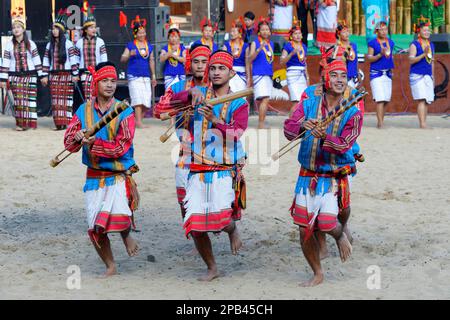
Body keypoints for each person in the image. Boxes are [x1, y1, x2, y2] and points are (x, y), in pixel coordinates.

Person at [166, 51, 248, 281]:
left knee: (220, 220)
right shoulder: (199, 93)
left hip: (222, 169)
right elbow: (170, 102)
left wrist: (215, 120)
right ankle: (212, 267)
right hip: (197, 166)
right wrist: (189, 92)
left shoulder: (239, 102)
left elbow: (236, 134)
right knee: (194, 224)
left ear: (231, 73)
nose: (215, 72)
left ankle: (232, 229)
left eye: (222, 68)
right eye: (213, 68)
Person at [284, 53, 363, 287]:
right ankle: (317, 272)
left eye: (344, 76)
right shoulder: (308, 103)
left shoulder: (353, 110)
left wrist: (324, 136)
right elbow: (288, 130)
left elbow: (344, 144)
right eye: (335, 75)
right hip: (307, 174)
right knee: (303, 229)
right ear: (325, 79)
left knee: (328, 222)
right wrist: (300, 125)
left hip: (332, 175)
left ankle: (339, 234)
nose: (340, 79)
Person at [63, 61, 140, 277]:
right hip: (94, 175)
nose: (109, 85)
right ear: (96, 83)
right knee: (95, 227)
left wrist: (94, 143)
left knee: (118, 216)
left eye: (113, 81)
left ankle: (126, 235)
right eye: (105, 80)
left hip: (117, 174)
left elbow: (121, 147)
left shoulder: (125, 111)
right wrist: (77, 138)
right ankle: (110, 265)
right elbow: (68, 143)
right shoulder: (83, 110)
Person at [154, 43, 211, 222]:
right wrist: (187, 95)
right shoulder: (178, 87)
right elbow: (159, 110)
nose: (200, 65)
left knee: (209, 203)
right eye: (196, 61)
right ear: (189, 64)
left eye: (204, 61)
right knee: (184, 201)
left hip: (213, 153)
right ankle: (194, 235)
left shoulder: (219, 88)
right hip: (185, 153)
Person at [0, 11, 46, 131]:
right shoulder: (9, 45)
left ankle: (29, 123)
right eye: (14, 27)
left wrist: (42, 76)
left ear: (23, 29)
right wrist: (3, 79)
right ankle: (20, 123)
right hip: (15, 76)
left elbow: (37, 60)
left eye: (18, 27)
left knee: (29, 100)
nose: (16, 30)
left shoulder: (31, 44)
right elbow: (6, 62)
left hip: (30, 75)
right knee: (19, 100)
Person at [42, 9, 79, 130]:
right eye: (53, 29)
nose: (54, 31)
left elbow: (73, 60)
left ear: (62, 30)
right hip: (54, 75)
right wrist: (44, 75)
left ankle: (67, 123)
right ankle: (59, 123)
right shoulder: (49, 45)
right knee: (56, 101)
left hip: (66, 74)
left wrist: (75, 74)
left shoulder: (68, 44)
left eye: (57, 29)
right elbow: (46, 61)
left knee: (66, 100)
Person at [120, 15, 157, 128]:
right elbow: (122, 59)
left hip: (146, 76)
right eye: (140, 33)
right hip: (134, 76)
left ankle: (137, 120)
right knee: (137, 99)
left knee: (146, 101)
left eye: (144, 32)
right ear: (135, 34)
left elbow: (151, 60)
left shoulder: (149, 46)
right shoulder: (130, 46)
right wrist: (129, 55)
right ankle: (139, 122)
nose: (142, 34)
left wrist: (154, 76)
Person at [75, 3, 108, 101]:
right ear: (85, 30)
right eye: (91, 28)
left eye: (95, 27)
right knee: (88, 97)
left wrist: (104, 71)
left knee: (98, 95)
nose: (94, 29)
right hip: (85, 72)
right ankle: (89, 114)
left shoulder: (100, 41)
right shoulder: (79, 42)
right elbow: (76, 59)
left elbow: (103, 58)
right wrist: (76, 73)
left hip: (97, 72)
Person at [367, 21, 395, 129]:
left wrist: (392, 69)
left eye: (385, 29)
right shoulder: (373, 43)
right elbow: (369, 57)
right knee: (380, 98)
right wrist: (379, 55)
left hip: (387, 73)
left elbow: (391, 57)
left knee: (386, 99)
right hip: (376, 74)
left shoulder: (391, 42)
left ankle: (381, 120)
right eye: (381, 29)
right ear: (377, 31)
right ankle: (380, 123)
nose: (384, 31)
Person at [409, 18, 435, 129]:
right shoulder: (414, 44)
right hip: (417, 75)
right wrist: (423, 55)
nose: (427, 32)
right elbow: (411, 60)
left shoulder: (431, 45)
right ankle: (422, 124)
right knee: (422, 99)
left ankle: (424, 122)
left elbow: (432, 62)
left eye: (428, 30)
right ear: (419, 32)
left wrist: (433, 76)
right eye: (424, 30)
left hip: (428, 75)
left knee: (427, 99)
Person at [248, 17, 274, 129]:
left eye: (267, 29)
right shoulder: (255, 42)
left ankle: (262, 121)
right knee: (265, 98)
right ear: (259, 31)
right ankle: (261, 123)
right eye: (263, 29)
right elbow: (250, 59)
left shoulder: (271, 44)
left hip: (268, 74)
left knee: (266, 99)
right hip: (259, 74)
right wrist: (259, 49)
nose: (265, 31)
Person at [280, 18, 310, 112]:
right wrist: (291, 54)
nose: (298, 35)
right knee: (296, 101)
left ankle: (298, 122)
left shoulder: (304, 47)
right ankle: (291, 124)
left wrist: (307, 78)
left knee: (303, 100)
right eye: (295, 34)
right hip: (292, 74)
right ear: (291, 36)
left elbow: (304, 63)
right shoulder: (288, 46)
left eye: (299, 33)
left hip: (302, 75)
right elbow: (282, 61)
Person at [222, 17, 250, 93]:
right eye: (231, 31)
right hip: (229, 74)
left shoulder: (246, 46)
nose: (231, 33)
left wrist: (248, 79)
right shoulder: (226, 45)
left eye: (234, 31)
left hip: (242, 75)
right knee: (229, 97)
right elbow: (223, 62)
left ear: (240, 33)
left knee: (241, 98)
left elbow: (247, 64)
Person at [160, 20, 187, 90]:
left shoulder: (182, 48)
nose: (173, 39)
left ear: (179, 38)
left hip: (180, 74)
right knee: (169, 95)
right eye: (171, 37)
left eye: (175, 37)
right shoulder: (165, 48)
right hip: (169, 75)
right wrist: (169, 53)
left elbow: (185, 59)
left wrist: (174, 56)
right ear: (168, 38)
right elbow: (161, 59)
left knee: (181, 95)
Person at [335, 21, 360, 88]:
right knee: (346, 97)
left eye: (347, 31)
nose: (347, 34)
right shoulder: (337, 48)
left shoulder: (353, 45)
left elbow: (356, 60)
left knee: (354, 97)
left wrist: (358, 73)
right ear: (338, 34)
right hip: (344, 78)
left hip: (354, 77)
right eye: (344, 32)